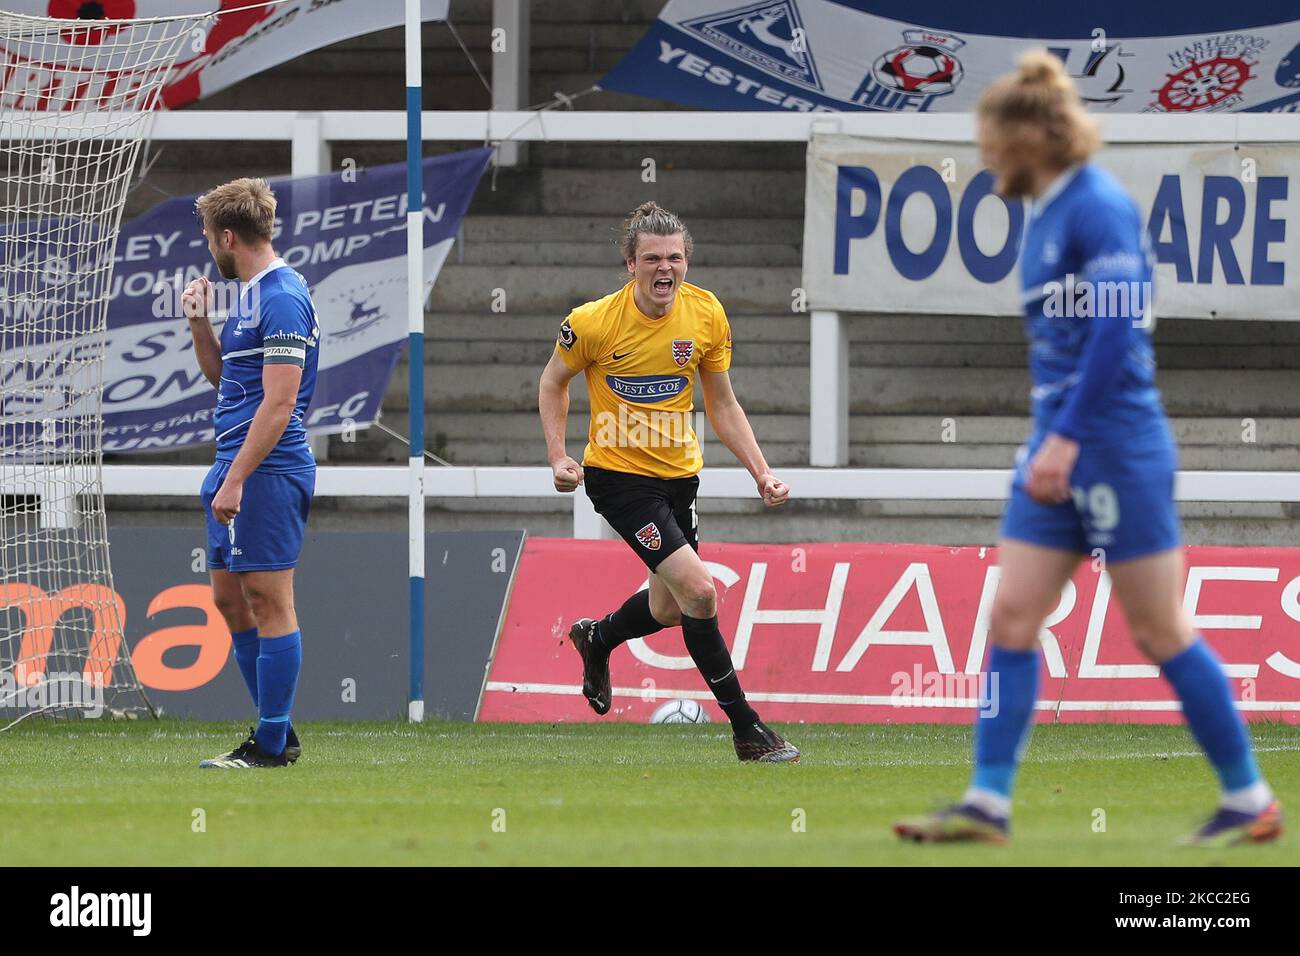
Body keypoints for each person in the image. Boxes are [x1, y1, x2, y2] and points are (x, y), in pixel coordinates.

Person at [894, 52, 1282, 845]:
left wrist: (1066, 438)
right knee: (1010, 616)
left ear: (1034, 135)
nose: (985, 157)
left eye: (993, 140)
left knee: (1158, 629)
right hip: (1057, 446)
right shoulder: (1047, 215)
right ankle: (988, 803)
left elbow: (1120, 331)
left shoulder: (1098, 206)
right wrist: (1051, 438)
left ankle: (1249, 797)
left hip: (1112, 444)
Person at [537, 201, 799, 762]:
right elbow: (553, 382)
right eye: (652, 257)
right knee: (700, 591)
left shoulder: (706, 315)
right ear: (630, 263)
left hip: (680, 479)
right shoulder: (592, 323)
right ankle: (748, 730)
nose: (665, 267)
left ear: (686, 262)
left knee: (669, 609)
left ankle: (597, 637)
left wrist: (762, 471)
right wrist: (559, 456)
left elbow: (723, 403)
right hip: (618, 480)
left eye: (675, 257)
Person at [183, 178, 320, 769]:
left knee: (268, 599)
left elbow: (279, 403)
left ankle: (269, 743)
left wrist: (237, 478)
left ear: (228, 235)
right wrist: (198, 325)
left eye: (210, 237)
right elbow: (230, 383)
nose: (210, 249)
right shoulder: (250, 296)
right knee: (228, 600)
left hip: (265, 466)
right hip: (233, 462)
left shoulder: (282, 295)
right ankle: (275, 730)